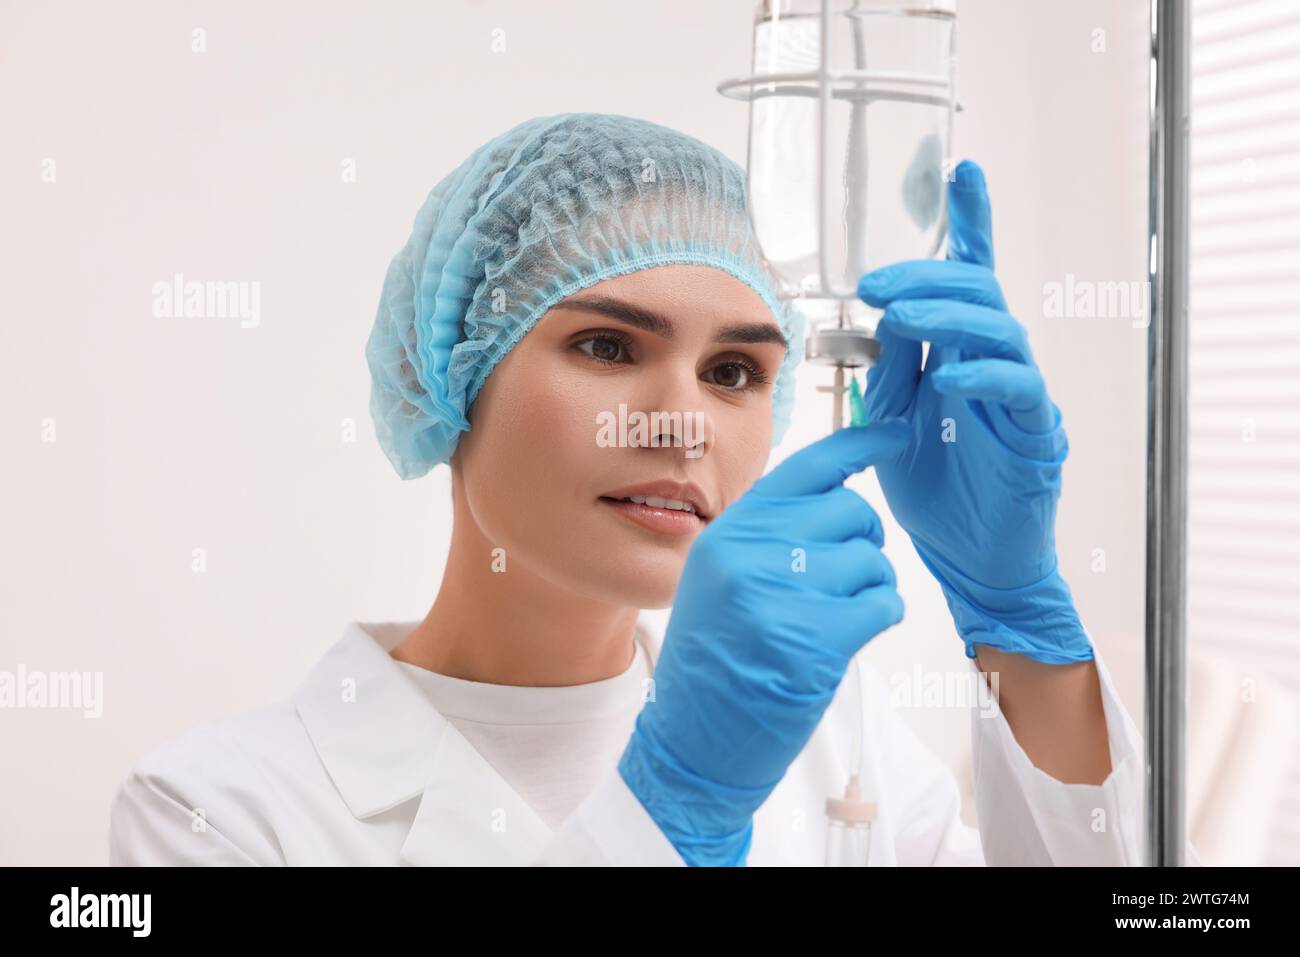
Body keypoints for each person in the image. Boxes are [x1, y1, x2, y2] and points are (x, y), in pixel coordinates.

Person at [108, 112, 1199, 866]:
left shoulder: (833, 732)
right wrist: (675, 805)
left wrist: (1017, 628)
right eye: (604, 346)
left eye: (734, 373)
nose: (681, 420)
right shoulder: (217, 811)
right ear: (451, 370)